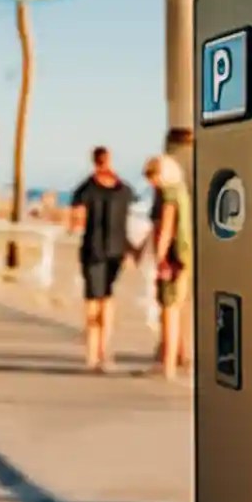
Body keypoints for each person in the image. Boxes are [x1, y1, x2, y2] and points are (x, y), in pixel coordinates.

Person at [68, 146, 136, 372]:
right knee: (102, 300)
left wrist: (74, 225)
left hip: (99, 250)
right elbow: (129, 217)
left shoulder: (88, 188)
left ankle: (97, 351)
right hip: (111, 250)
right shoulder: (123, 189)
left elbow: (76, 217)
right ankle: (99, 351)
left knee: (98, 300)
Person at [145, 154, 193, 379]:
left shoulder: (169, 195)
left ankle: (168, 364)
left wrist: (160, 257)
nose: (151, 183)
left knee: (168, 309)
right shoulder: (182, 191)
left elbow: (166, 228)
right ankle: (181, 357)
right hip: (185, 254)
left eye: (152, 177)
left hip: (172, 258)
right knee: (179, 306)